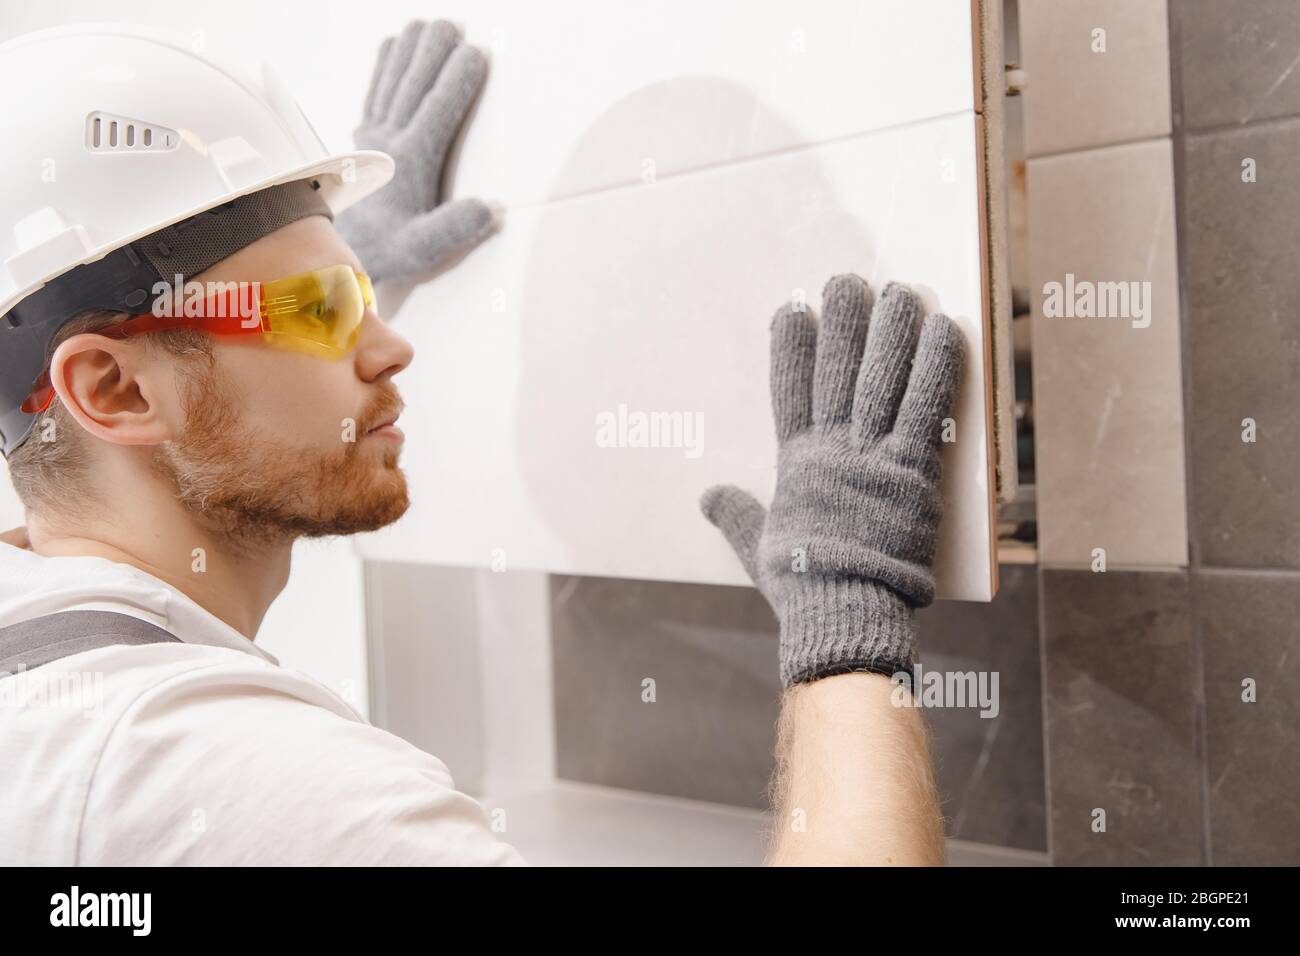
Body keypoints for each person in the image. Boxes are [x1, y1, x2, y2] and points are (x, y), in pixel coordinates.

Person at [0, 20, 961, 866]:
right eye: (325, 311)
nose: (393, 346)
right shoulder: (267, 793)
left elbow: (206, 446)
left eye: (363, 298)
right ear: (114, 389)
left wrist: (307, 282)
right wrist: (847, 621)